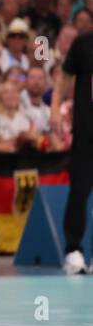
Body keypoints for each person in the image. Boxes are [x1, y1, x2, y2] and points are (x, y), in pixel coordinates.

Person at [53, 29, 93, 274]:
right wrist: (55, 108)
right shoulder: (83, 43)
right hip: (86, 133)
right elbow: (65, 78)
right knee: (78, 191)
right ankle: (73, 250)